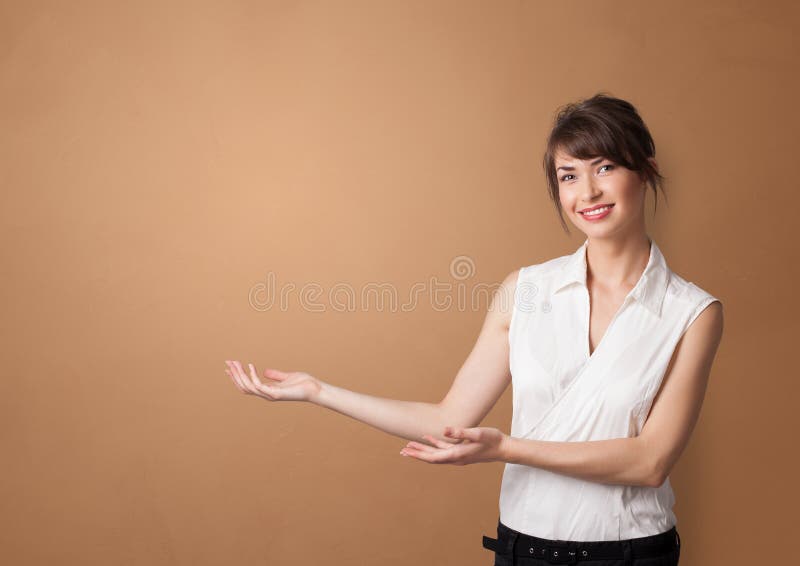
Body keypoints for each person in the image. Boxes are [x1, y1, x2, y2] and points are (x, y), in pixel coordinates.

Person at [224, 93, 724, 566]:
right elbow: (449, 416)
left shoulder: (692, 312)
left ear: (647, 170)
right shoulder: (524, 290)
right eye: (568, 175)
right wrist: (318, 391)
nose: (587, 192)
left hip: (633, 553)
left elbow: (649, 461)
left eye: (605, 168)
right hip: (523, 550)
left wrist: (506, 448)